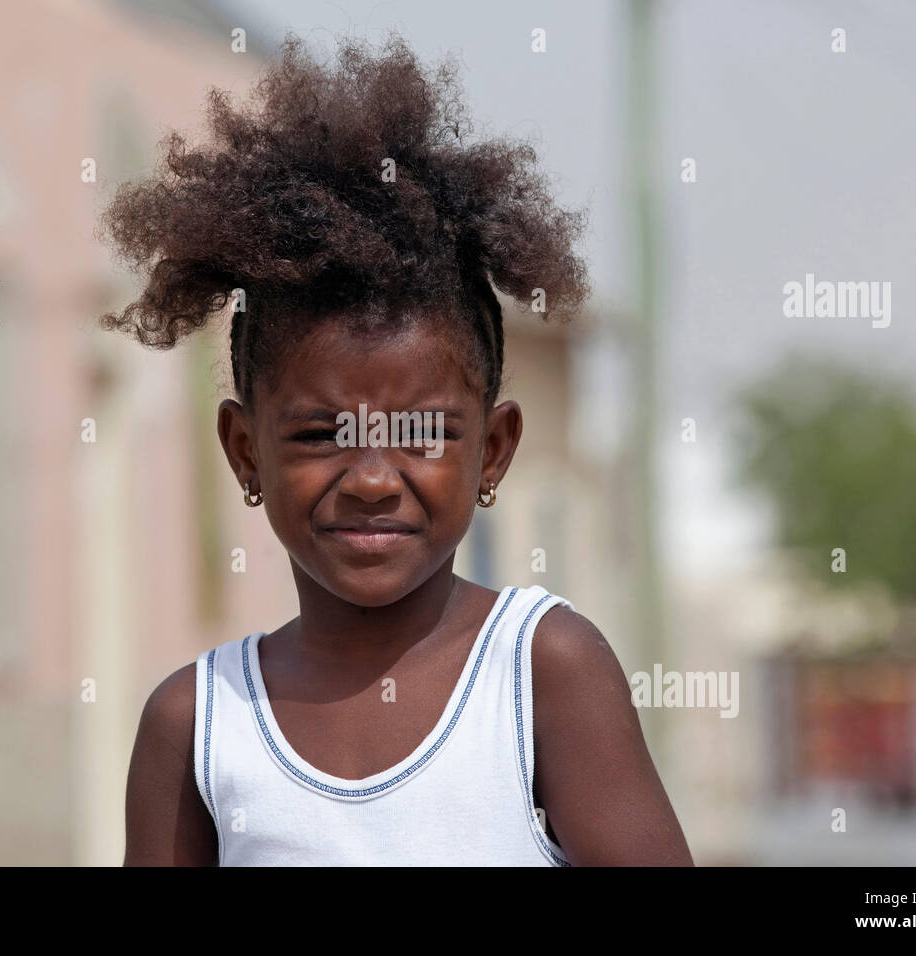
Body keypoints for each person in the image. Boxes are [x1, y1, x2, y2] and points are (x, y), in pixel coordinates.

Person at [104, 29, 691, 866]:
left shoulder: (540, 674)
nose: (374, 478)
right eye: (319, 434)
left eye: (422, 434)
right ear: (244, 451)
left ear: (492, 451)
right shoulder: (195, 726)